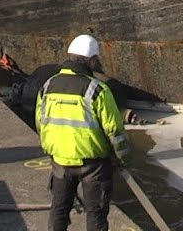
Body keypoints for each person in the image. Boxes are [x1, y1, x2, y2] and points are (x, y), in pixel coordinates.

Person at [36, 35, 132, 231]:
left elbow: (40, 123)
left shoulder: (48, 86)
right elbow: (114, 129)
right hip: (93, 164)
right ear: (91, 60)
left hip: (60, 161)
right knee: (95, 213)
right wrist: (123, 157)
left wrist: (53, 147)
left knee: (59, 210)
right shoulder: (97, 90)